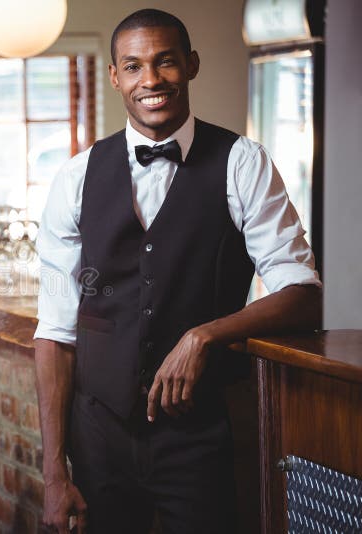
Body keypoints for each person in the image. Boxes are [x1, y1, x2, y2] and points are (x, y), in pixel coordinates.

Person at [33, 8, 322, 534]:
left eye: (165, 62)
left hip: (201, 434)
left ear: (190, 65)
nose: (151, 80)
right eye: (135, 66)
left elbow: (303, 292)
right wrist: (54, 471)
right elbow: (54, 331)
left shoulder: (243, 162)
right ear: (116, 76)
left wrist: (204, 335)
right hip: (97, 436)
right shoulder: (75, 177)